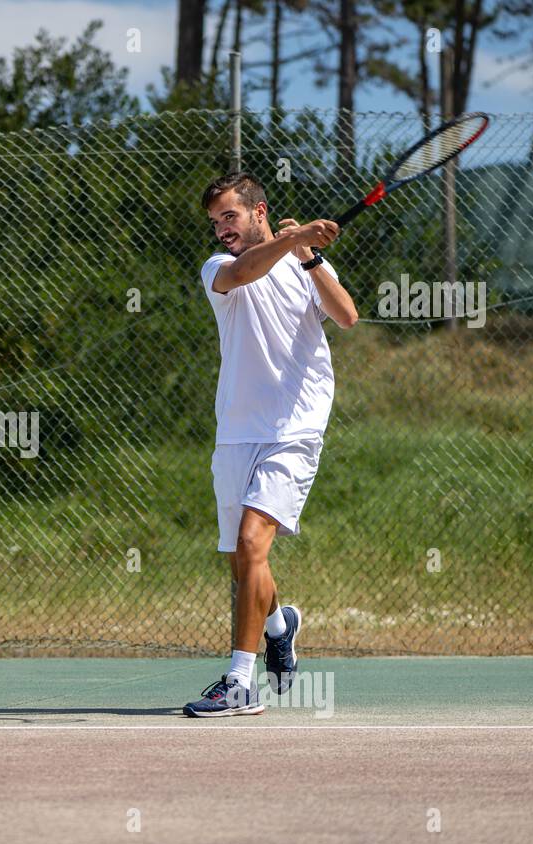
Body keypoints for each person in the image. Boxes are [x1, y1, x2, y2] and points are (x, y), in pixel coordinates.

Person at [184, 172, 359, 717]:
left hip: (295, 429)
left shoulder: (304, 261)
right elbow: (243, 271)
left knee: (252, 543)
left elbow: (347, 316)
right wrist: (291, 239)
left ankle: (240, 682)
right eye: (215, 222)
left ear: (258, 211)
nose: (221, 230)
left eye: (229, 217)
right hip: (237, 431)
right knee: (243, 560)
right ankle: (280, 625)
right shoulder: (219, 269)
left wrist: (306, 252)